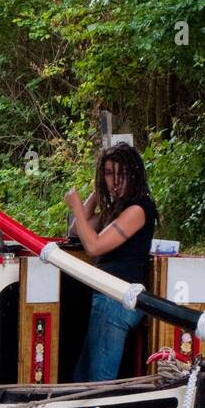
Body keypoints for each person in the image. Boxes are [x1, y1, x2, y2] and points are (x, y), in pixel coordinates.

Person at [66, 142, 158, 382]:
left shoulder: (138, 208)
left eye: (121, 174)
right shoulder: (118, 207)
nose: (115, 181)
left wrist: (76, 206)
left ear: (133, 174)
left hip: (116, 301)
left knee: (99, 381)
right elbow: (78, 230)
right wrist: (96, 194)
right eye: (108, 174)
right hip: (106, 298)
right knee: (83, 377)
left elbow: (94, 245)